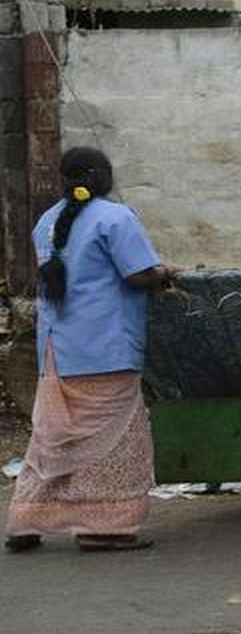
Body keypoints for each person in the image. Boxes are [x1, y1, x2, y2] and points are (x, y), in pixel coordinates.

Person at [5, 147, 171, 553]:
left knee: (52, 439)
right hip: (105, 349)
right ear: (105, 177)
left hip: (57, 350)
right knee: (113, 444)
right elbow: (137, 275)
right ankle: (104, 528)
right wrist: (165, 273)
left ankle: (25, 520)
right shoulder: (115, 218)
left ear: (64, 178)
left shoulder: (46, 221)